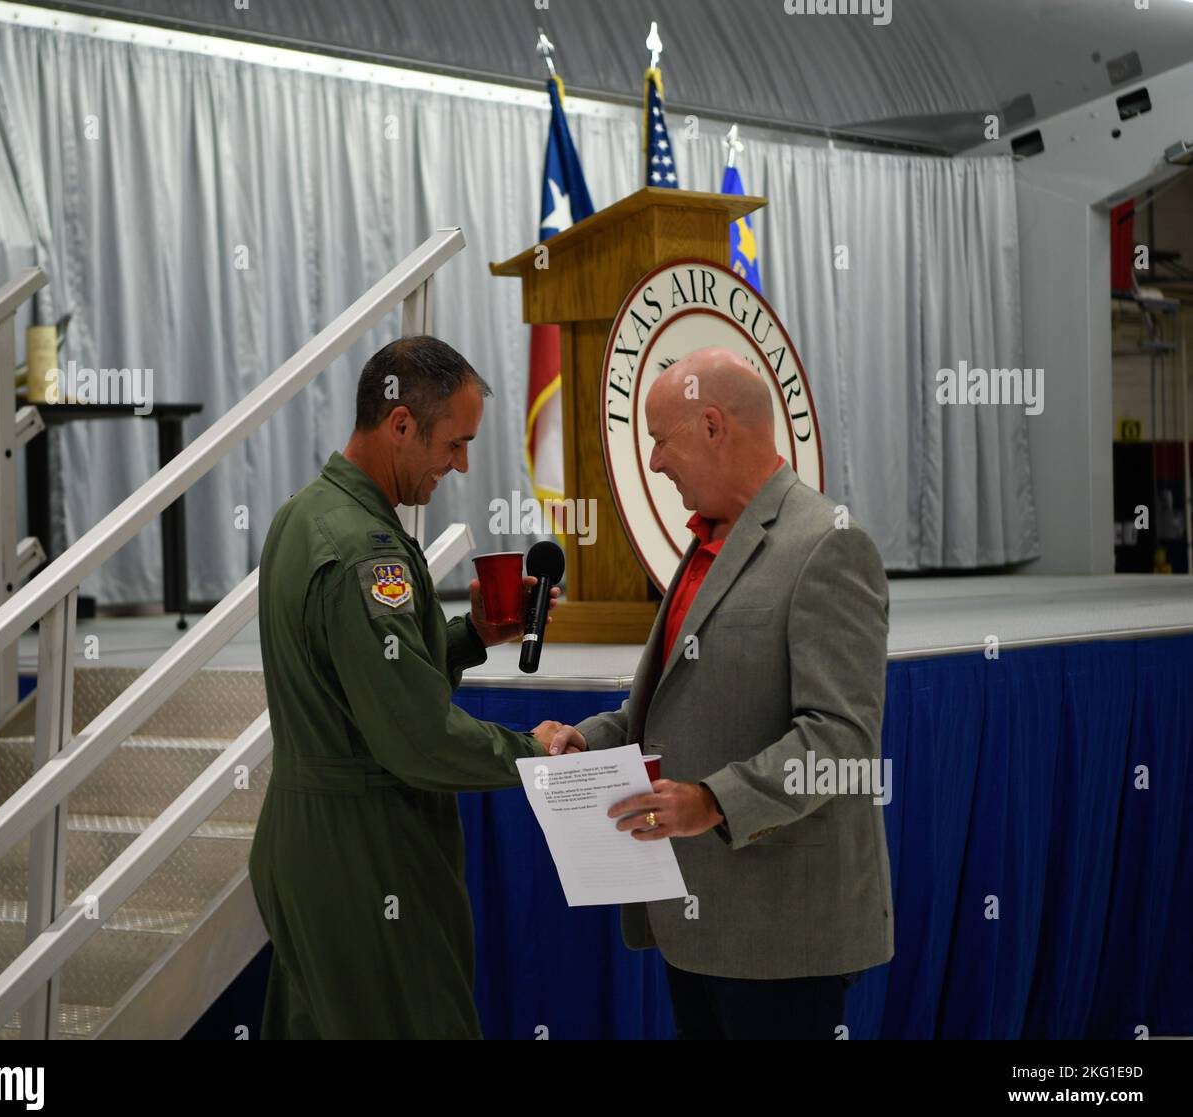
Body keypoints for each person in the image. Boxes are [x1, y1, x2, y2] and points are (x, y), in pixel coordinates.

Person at [545, 346, 893, 1040]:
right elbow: (672, 709)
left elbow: (841, 742)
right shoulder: (704, 547)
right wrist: (592, 737)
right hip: (698, 925)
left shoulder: (828, 545)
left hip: (781, 934)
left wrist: (710, 801)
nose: (653, 463)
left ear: (711, 424)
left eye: (659, 440)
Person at [250, 335, 561, 1039]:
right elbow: (414, 737)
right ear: (399, 425)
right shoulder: (367, 551)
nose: (462, 464)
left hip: (307, 844)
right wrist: (532, 755)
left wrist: (473, 635)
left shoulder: (305, 516)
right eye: (454, 444)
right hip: (369, 859)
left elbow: (360, 682)